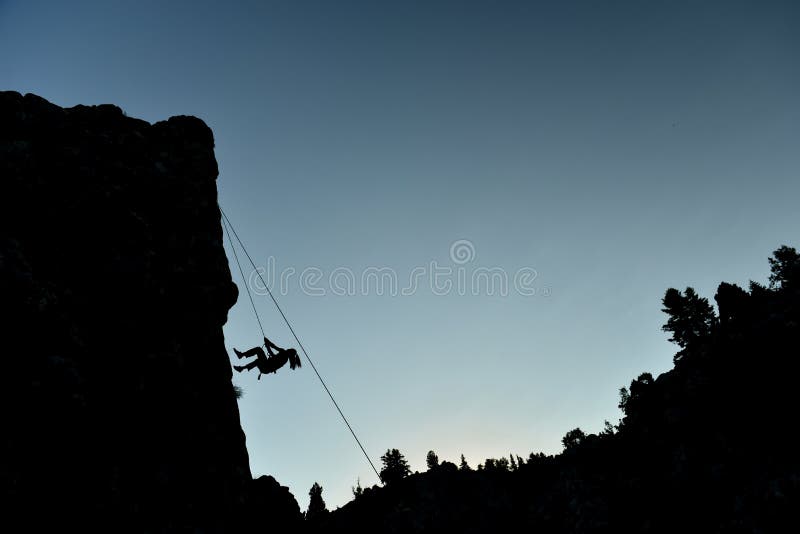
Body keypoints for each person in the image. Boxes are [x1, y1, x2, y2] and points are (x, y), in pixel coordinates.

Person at [233, 336, 302, 378]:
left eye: (289, 350)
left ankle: (241, 358)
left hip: (267, 368)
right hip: (266, 364)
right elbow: (274, 346)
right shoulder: (283, 351)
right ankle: (241, 366)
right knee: (258, 359)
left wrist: (267, 346)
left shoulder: (284, 359)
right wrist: (267, 341)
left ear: (290, 353)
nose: (287, 349)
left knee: (258, 351)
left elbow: (273, 356)